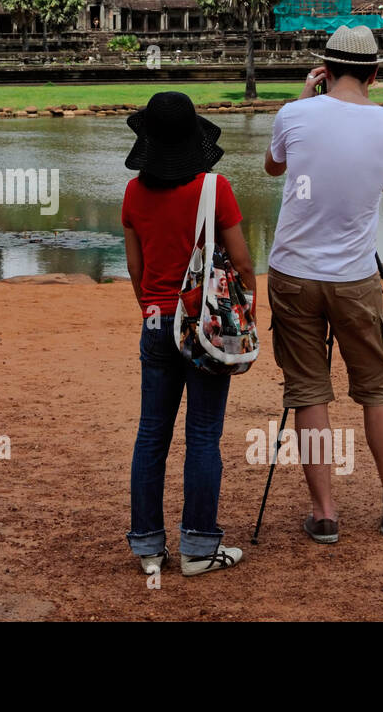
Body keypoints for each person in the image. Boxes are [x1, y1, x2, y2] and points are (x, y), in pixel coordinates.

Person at [263, 25, 383, 544]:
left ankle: (324, 513)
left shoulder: (294, 113)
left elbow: (272, 166)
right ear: (375, 73)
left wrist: (306, 97)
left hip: (293, 273)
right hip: (354, 276)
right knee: (376, 387)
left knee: (308, 392)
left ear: (324, 70)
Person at [121, 91, 257, 576]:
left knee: (151, 435)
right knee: (203, 436)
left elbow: (135, 268)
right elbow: (240, 262)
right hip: (203, 327)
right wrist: (246, 312)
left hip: (157, 324)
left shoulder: (134, 194)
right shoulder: (214, 190)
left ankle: (148, 548)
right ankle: (199, 549)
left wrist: (152, 311)